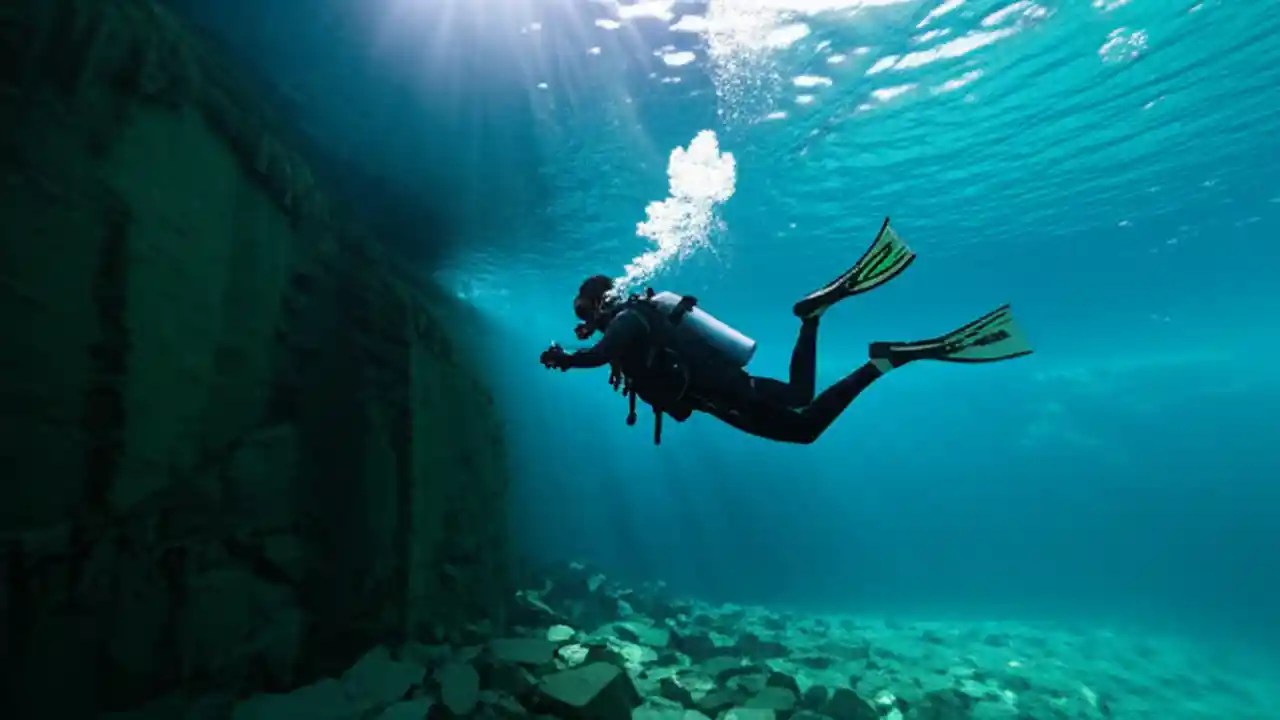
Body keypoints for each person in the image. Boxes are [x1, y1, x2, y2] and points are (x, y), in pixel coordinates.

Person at [539, 218, 1032, 445]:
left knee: (805, 430)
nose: (585, 318)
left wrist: (563, 358)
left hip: (724, 394)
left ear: (602, 300)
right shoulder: (638, 320)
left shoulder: (627, 320)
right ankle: (815, 320)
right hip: (730, 387)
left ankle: (886, 359)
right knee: (801, 393)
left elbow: (598, 356)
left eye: (585, 308)